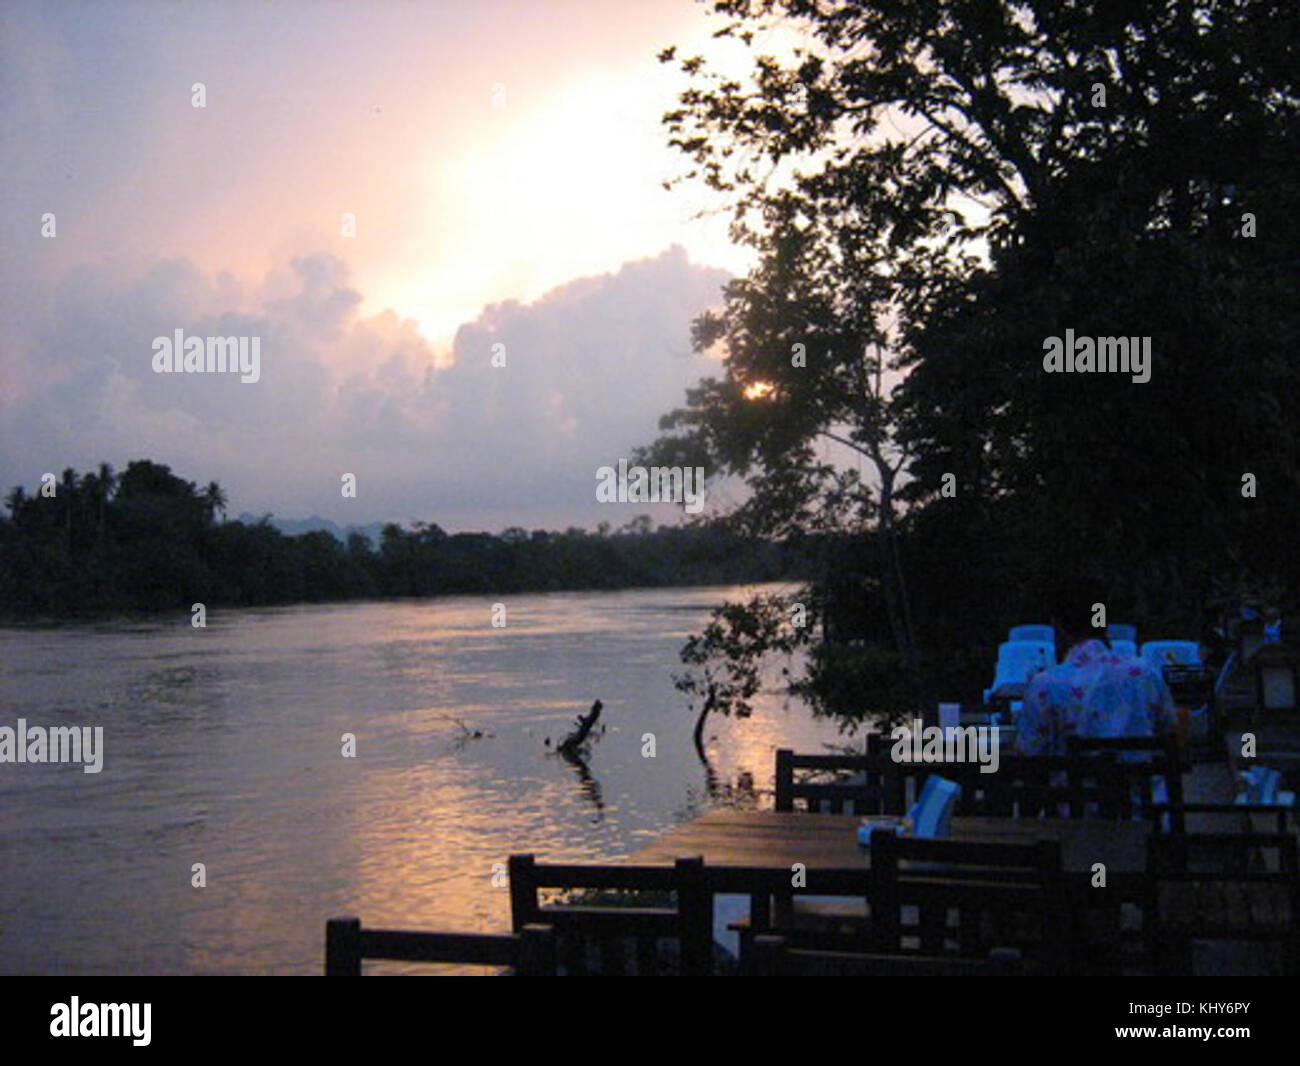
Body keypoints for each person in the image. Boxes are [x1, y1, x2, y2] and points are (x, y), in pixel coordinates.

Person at [1015, 593, 1175, 756]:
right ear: (1104, 625)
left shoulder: (1045, 684)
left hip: (1073, 780)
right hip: (1142, 780)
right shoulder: (1147, 672)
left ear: (1058, 627)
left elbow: (1029, 750)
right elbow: (1170, 732)